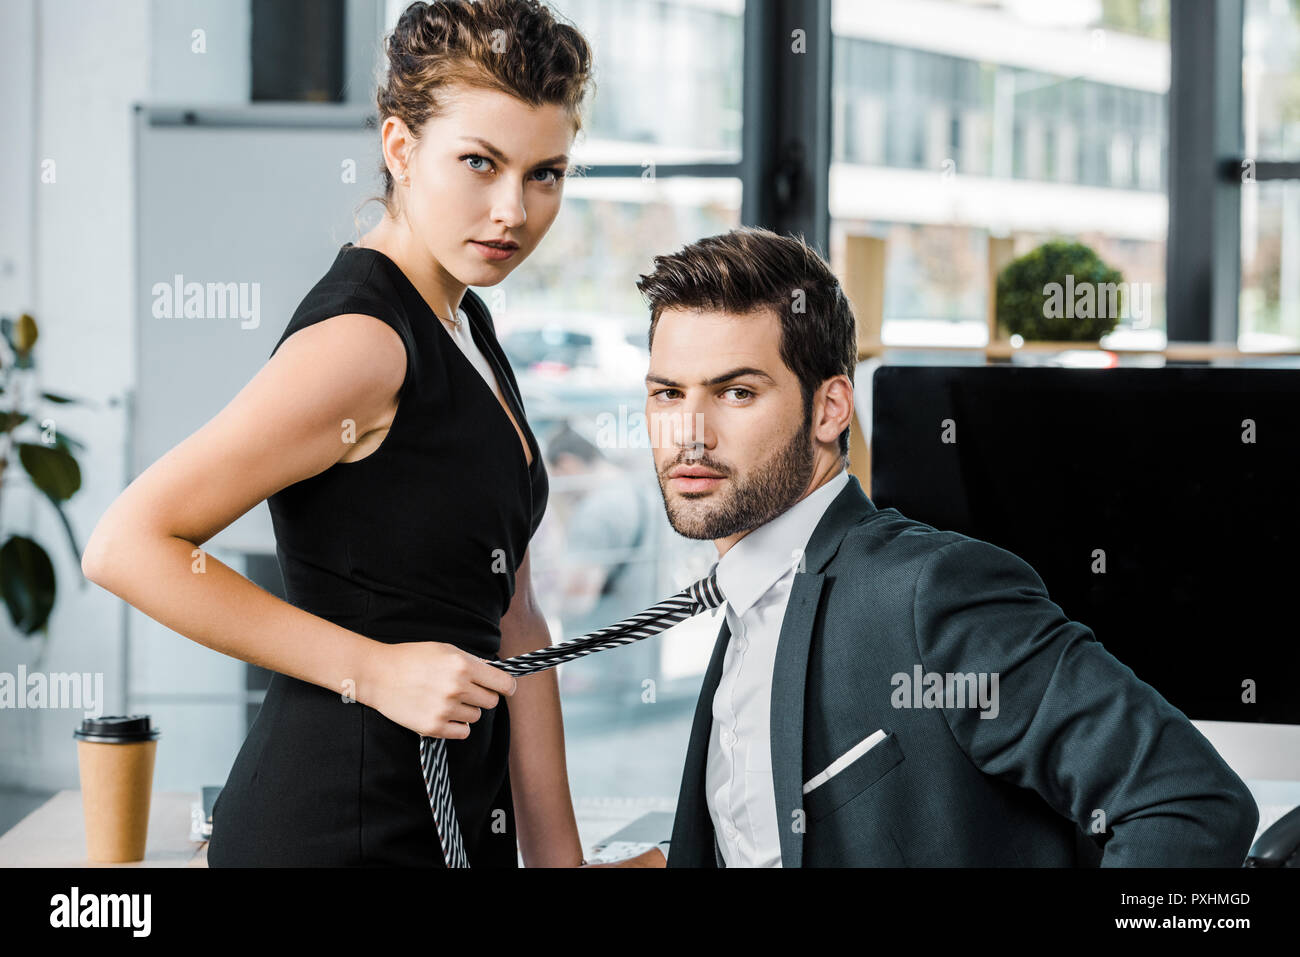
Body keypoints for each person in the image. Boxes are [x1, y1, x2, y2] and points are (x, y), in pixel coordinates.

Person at [81, 0, 594, 867]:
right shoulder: (364, 343)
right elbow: (127, 545)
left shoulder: (468, 324)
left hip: (448, 820)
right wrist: (379, 669)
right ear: (401, 149)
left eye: (545, 173)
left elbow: (517, 618)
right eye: (479, 162)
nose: (512, 209)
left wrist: (558, 860)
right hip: (335, 828)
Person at [608, 225, 1259, 867]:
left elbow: (1192, 802)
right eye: (669, 393)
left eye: (737, 392)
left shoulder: (931, 591)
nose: (691, 434)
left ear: (831, 407)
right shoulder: (750, 594)